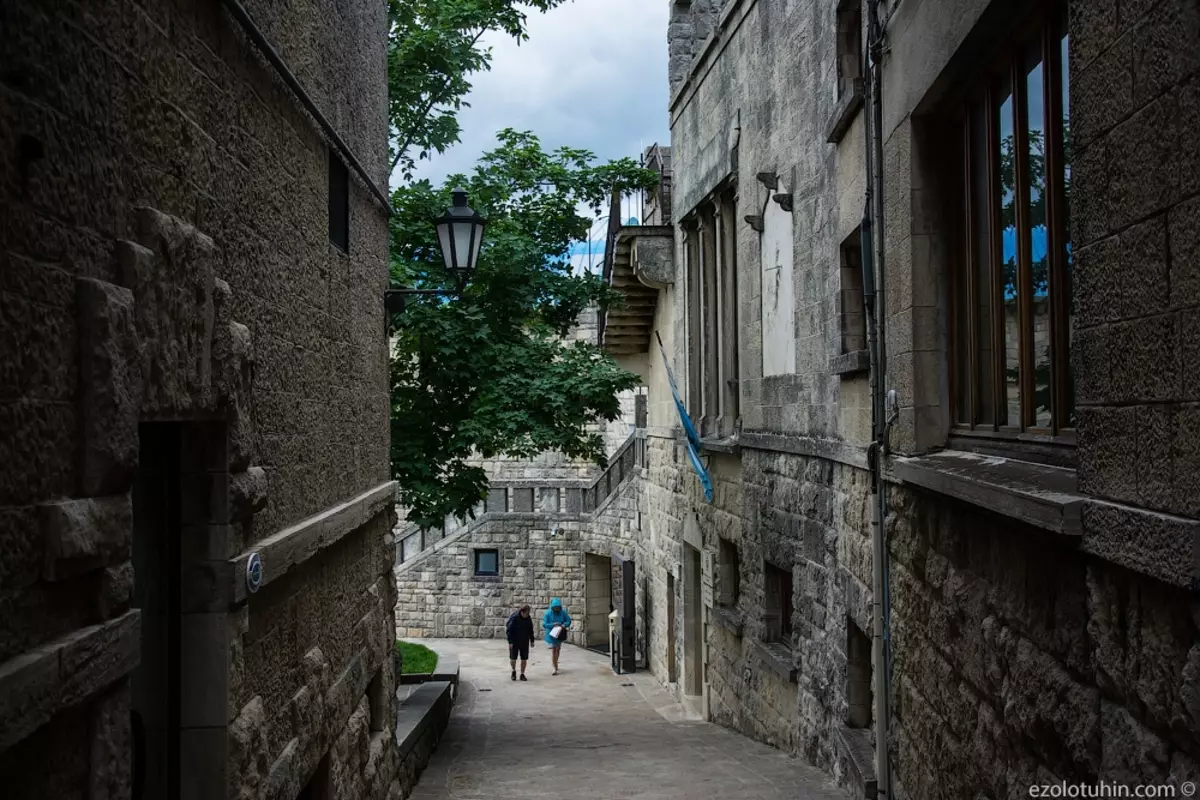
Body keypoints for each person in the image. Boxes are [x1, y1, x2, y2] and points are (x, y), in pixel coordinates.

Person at [542, 597, 572, 675]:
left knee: (558, 649)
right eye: (555, 608)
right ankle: (554, 667)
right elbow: (544, 624)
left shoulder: (563, 612)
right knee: (554, 650)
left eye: (558, 608)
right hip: (552, 634)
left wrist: (564, 625)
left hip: (560, 633)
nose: (556, 609)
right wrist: (553, 624)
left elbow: (568, 621)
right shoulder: (548, 613)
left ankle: (555, 663)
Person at [505, 604, 535, 681]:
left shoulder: (528, 618)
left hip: (524, 641)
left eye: (528, 613)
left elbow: (530, 629)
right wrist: (510, 641)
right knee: (513, 659)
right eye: (526, 613)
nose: (527, 615)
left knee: (524, 658)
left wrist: (532, 640)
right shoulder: (514, 618)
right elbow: (509, 630)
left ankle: (522, 674)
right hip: (514, 641)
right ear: (522, 612)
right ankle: (513, 671)